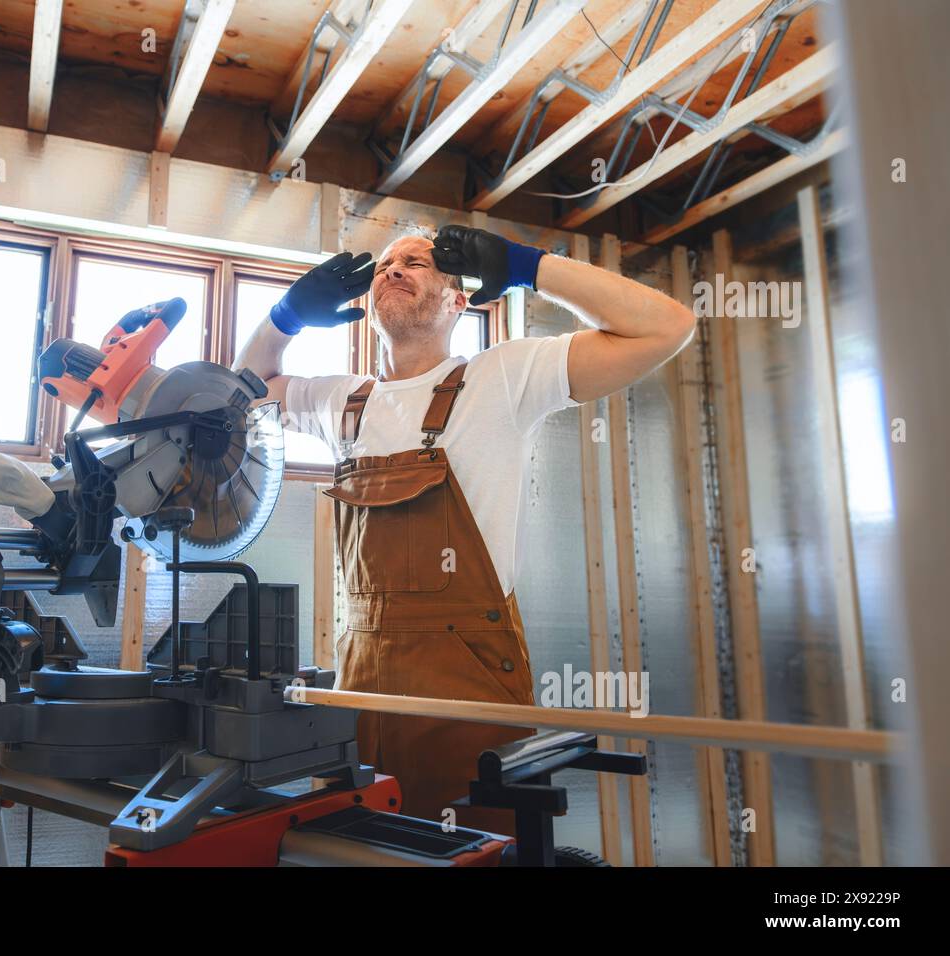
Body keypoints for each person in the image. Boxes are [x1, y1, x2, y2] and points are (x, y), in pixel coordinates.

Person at [233, 225, 695, 834]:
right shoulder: (342, 401)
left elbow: (666, 326)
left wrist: (530, 266)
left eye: (417, 263)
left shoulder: (503, 375)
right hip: (361, 689)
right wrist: (286, 316)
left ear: (458, 301)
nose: (393, 270)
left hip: (467, 686)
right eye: (387, 264)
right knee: (357, 849)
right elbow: (241, 393)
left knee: (475, 849)